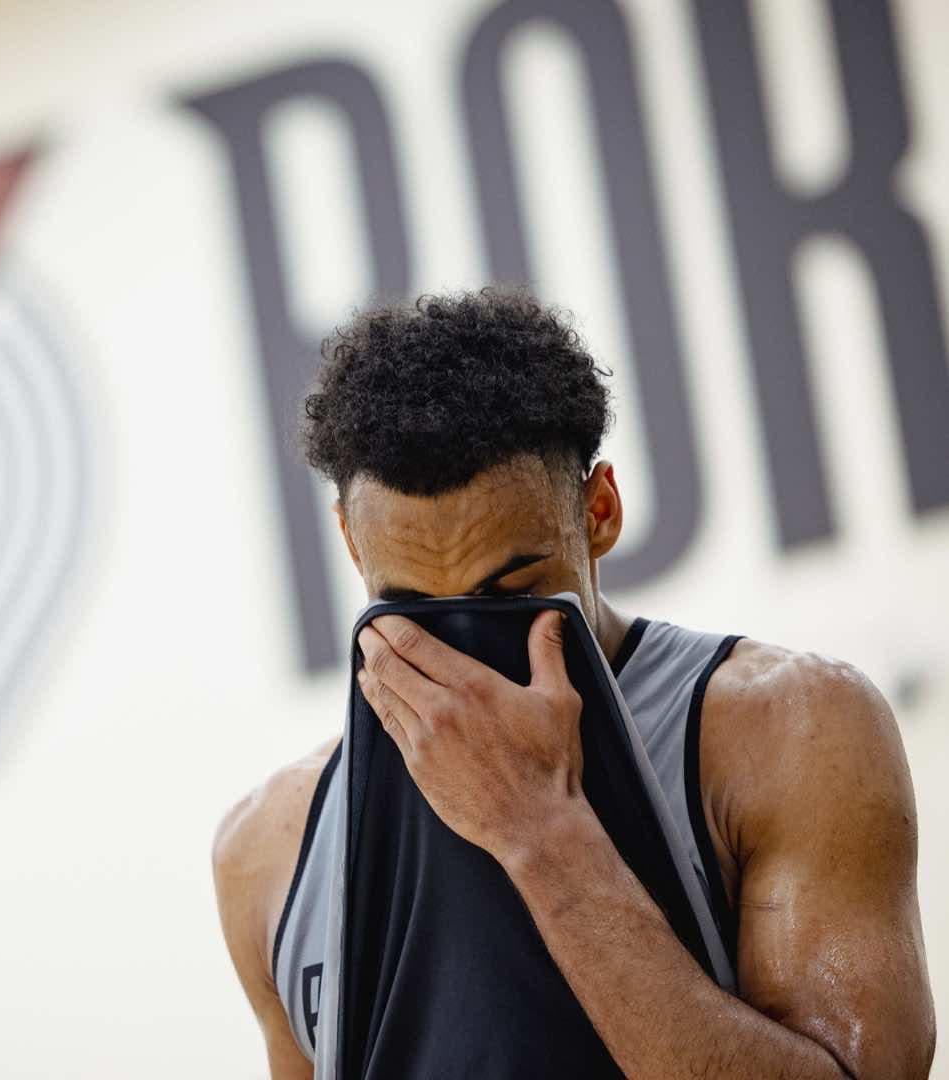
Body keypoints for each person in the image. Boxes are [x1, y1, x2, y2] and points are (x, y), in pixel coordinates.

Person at [211, 287, 935, 1077]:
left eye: (512, 596)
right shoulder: (267, 847)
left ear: (599, 511)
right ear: (353, 542)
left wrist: (541, 834)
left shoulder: (794, 728)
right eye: (412, 607)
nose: (468, 649)